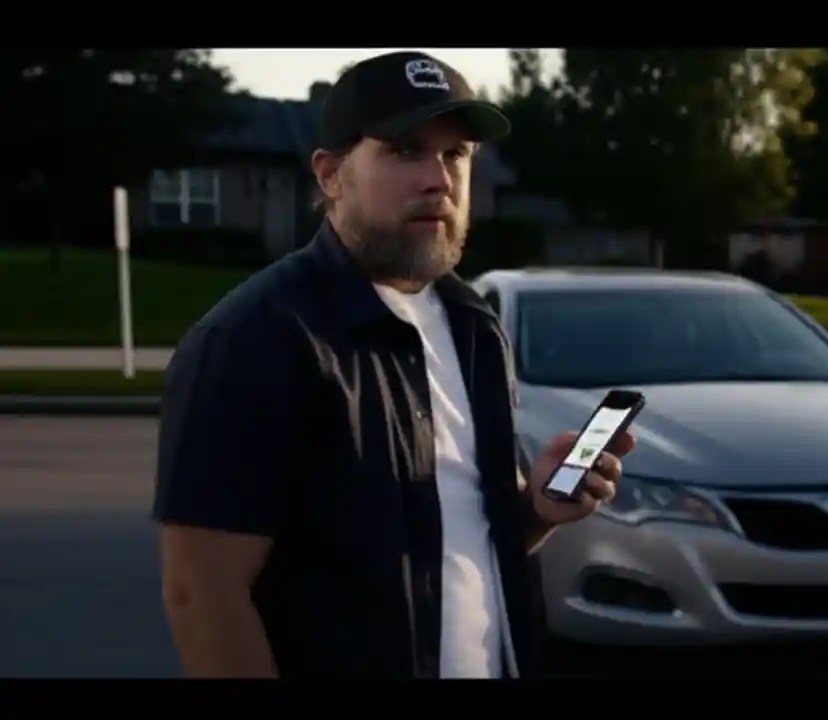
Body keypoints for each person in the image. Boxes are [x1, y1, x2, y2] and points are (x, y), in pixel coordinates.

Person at [151, 50, 634, 680]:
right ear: (330, 174)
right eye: (406, 151)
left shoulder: (474, 328)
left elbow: (459, 541)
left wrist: (538, 508)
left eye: (455, 154)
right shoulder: (257, 339)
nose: (439, 179)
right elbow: (201, 593)